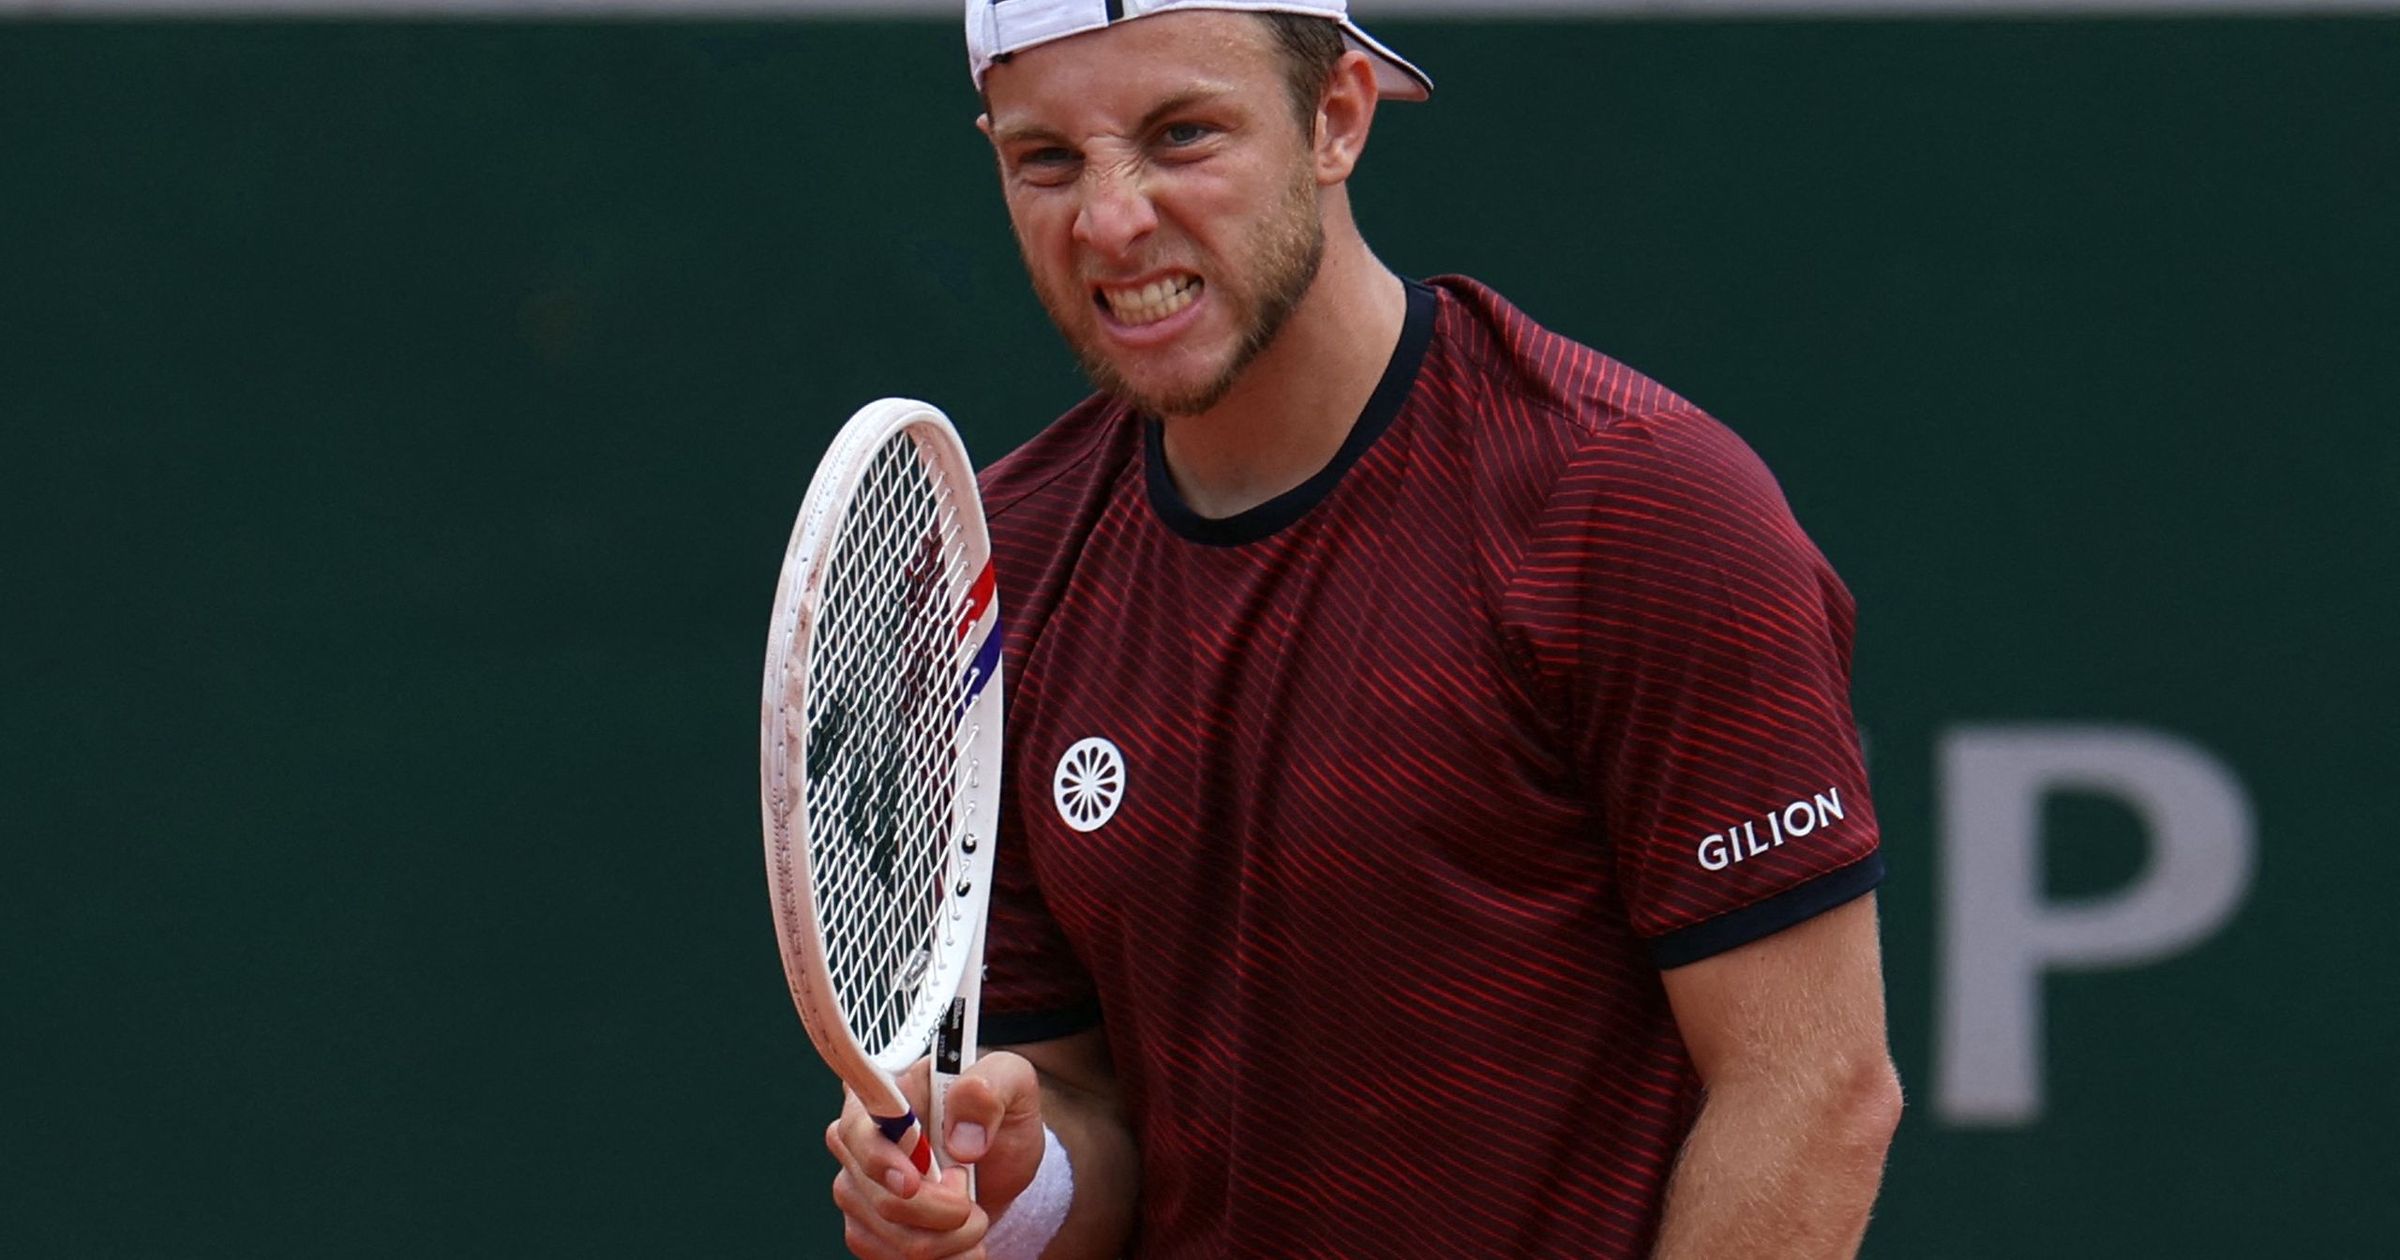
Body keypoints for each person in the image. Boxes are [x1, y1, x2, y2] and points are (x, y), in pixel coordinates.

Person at [825, 2, 1902, 1256]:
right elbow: (1083, 1108)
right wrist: (1013, 1186)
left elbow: (1813, 1093)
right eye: (1046, 160)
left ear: (1336, 116)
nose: (1109, 220)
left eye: (1182, 136)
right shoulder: (990, 572)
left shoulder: (1632, 507)